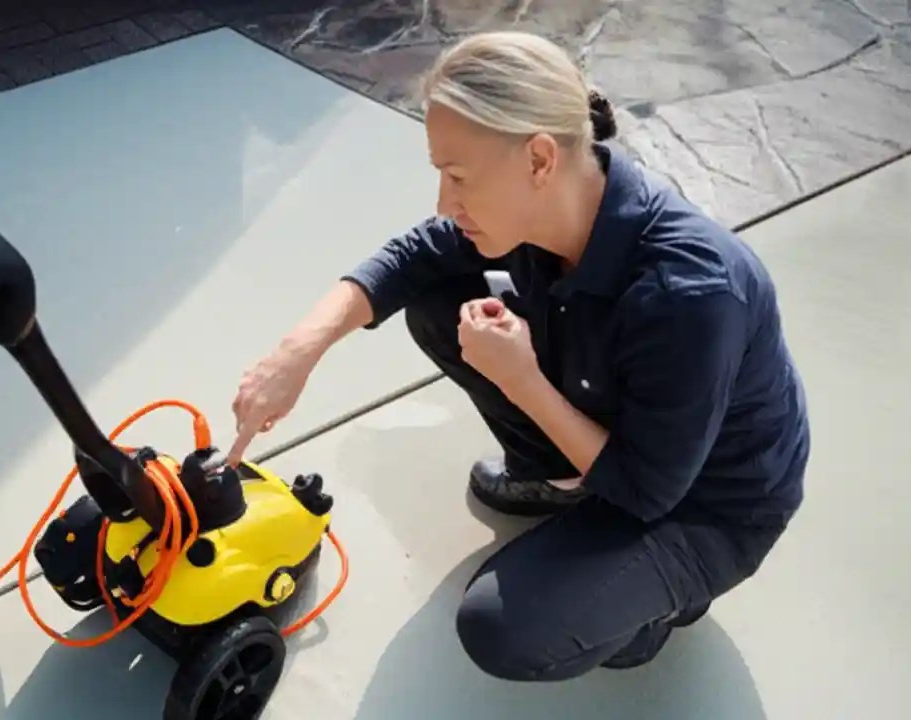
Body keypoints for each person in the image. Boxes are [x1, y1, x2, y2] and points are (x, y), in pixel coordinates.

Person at [227, 30, 810, 681]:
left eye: (458, 177)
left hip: (705, 506)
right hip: (629, 438)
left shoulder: (689, 293)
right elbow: (413, 256)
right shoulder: (550, 207)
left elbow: (649, 490)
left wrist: (523, 379)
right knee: (437, 295)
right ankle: (559, 479)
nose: (445, 202)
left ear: (538, 159)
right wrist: (296, 355)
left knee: (503, 628)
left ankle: (653, 612)